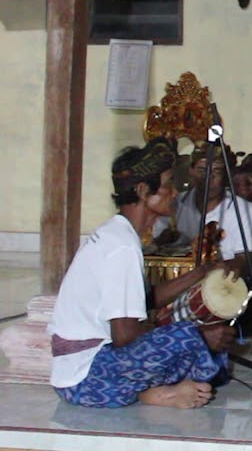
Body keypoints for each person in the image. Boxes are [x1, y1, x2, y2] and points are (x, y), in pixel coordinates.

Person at [48, 138, 235, 408]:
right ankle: (159, 394)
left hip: (77, 375)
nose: (174, 192)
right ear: (144, 190)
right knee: (190, 337)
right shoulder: (122, 246)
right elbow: (125, 336)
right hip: (88, 377)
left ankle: (149, 392)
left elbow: (144, 302)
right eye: (169, 183)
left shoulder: (116, 233)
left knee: (192, 342)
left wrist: (202, 272)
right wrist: (199, 337)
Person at [156, 144, 252, 272]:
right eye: (202, 170)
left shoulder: (244, 211)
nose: (209, 177)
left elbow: (243, 259)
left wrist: (219, 268)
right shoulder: (174, 203)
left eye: (217, 171)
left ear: (227, 175)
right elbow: (155, 244)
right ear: (191, 171)